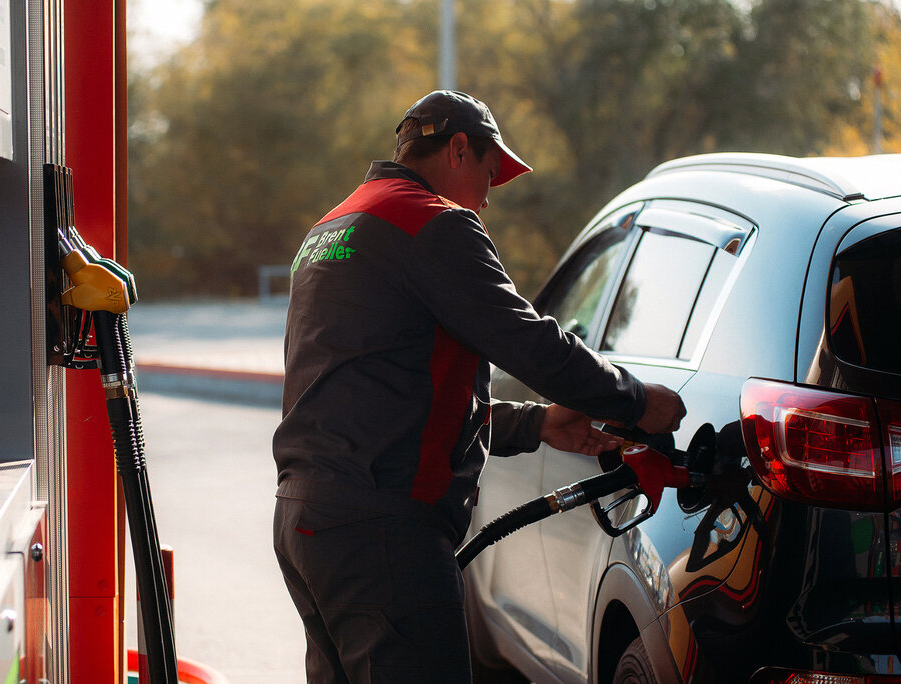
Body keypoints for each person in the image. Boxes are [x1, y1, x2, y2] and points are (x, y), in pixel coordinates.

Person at [273, 90, 685, 683]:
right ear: (460, 149)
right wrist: (637, 400)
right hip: (382, 532)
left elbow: (384, 395)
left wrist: (539, 423)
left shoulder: (334, 226)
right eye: (490, 175)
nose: (488, 200)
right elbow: (528, 341)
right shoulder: (432, 223)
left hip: (306, 521)